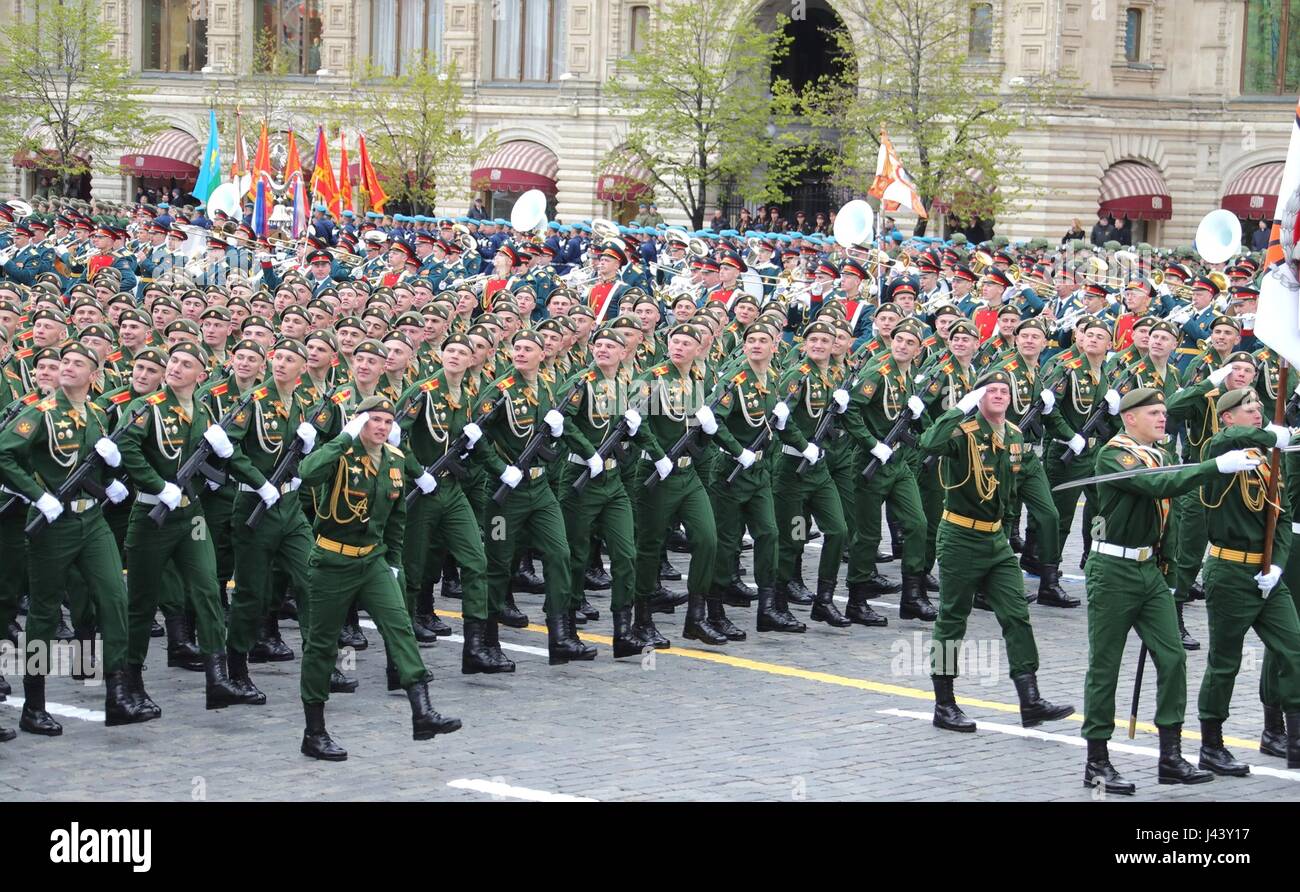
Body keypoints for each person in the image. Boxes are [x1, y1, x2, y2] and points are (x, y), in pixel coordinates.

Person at [1080, 387, 1259, 793]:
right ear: (1130, 418)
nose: (1163, 419)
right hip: (1113, 570)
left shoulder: (1161, 453)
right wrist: (1216, 465)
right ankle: (1097, 761)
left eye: (1164, 412)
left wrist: (1170, 567)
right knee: (1105, 666)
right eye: (1154, 413)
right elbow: (1160, 485)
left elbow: (1173, 514)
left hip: (1150, 571)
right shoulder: (1115, 454)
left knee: (1173, 658)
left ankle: (1171, 756)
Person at [295, 395, 462, 761]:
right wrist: (343, 438)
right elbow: (307, 472)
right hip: (331, 560)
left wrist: (394, 563)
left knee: (399, 625)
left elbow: (397, 519)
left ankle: (423, 712)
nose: (382, 428)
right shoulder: (339, 454)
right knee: (322, 646)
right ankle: (314, 731)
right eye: (374, 420)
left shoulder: (396, 461)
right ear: (359, 423)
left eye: (388, 422)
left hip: (373, 560)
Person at [918, 369, 1074, 733]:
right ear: (978, 398)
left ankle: (1031, 700)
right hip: (959, 535)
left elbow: (1038, 496)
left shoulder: (1016, 437)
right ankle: (944, 703)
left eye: (1005, 390)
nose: (1000, 395)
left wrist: (1048, 531)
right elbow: (929, 442)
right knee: (952, 620)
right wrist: (958, 409)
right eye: (991, 390)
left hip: (996, 542)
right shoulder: (962, 433)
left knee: (1016, 615)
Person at [1196, 388, 1300, 774]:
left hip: (1267, 572)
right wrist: (1274, 435)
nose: (1257, 413)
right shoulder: (1221, 453)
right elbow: (1224, 441)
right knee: (1225, 663)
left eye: (1259, 407)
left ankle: (1291, 738)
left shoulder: (1266, 462)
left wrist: (1278, 566)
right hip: (1229, 572)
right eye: (1247, 408)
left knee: (1293, 649)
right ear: (1227, 417)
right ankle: (1212, 744)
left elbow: (1283, 518)